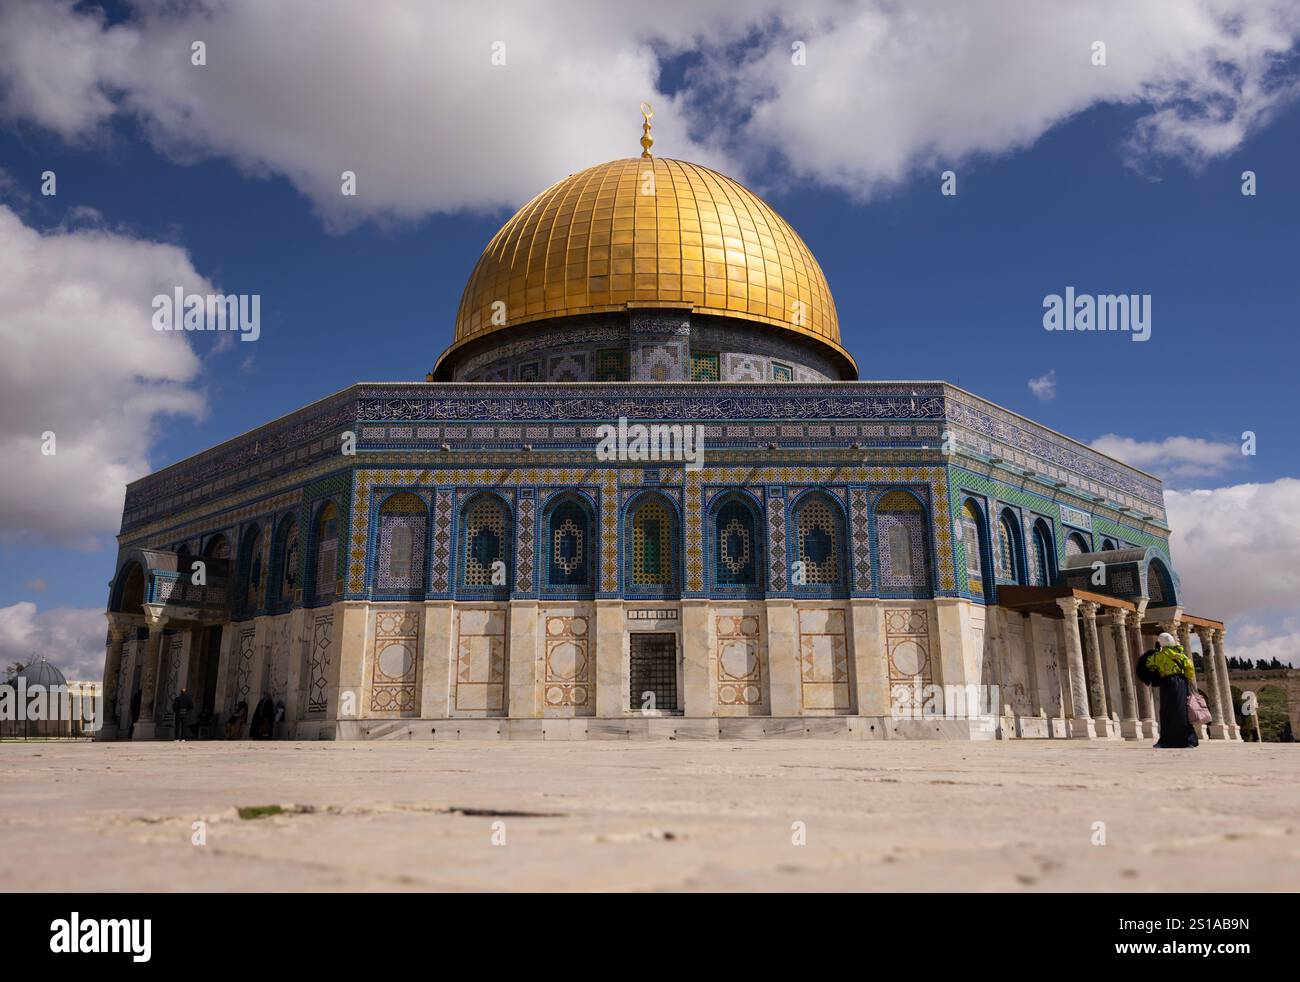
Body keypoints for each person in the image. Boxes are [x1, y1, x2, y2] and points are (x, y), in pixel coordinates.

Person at [1141, 631, 1199, 749]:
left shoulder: (1159, 655)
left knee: (1167, 712)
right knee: (1182, 711)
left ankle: (1166, 741)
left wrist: (1156, 651)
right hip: (1182, 682)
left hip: (1167, 683)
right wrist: (1185, 678)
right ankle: (1188, 741)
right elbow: (1190, 668)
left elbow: (1148, 664)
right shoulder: (1180, 653)